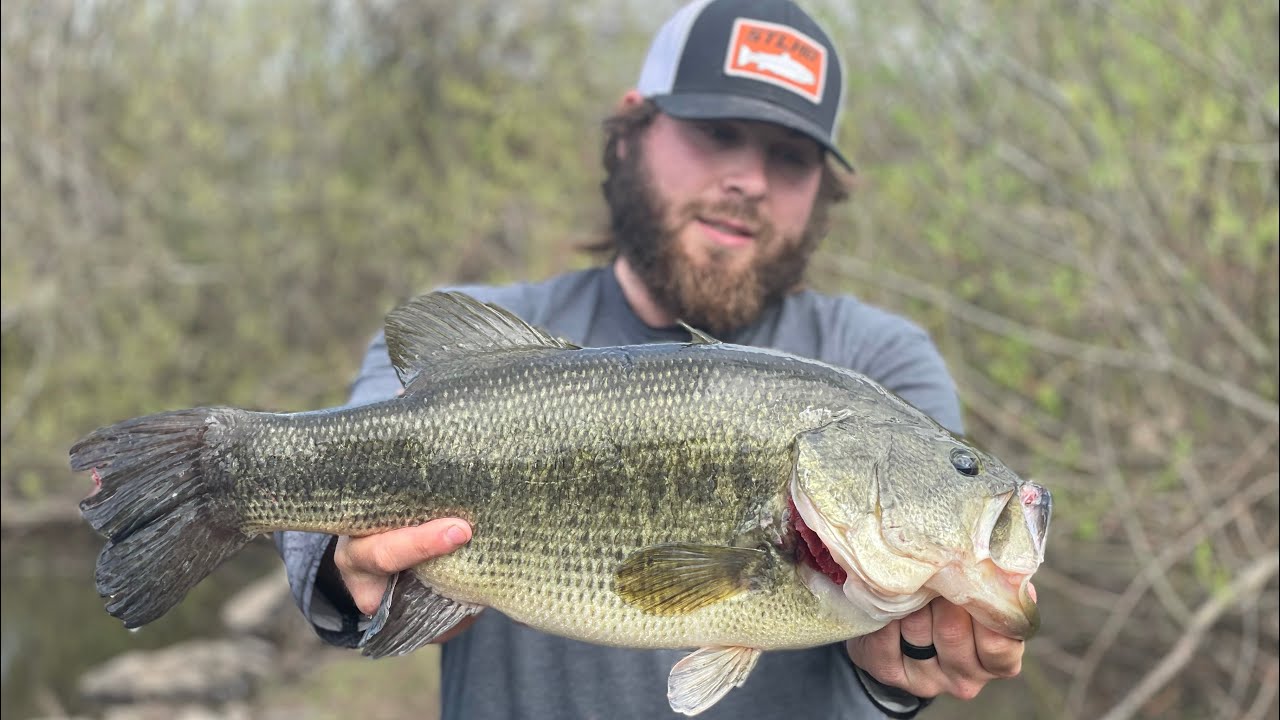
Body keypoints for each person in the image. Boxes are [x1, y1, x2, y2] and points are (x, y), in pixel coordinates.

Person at [276, 0, 1029, 717]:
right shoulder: (498, 336)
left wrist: (901, 676)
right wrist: (353, 578)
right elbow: (326, 484)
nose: (750, 181)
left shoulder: (878, 366)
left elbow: (905, 649)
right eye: (718, 132)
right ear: (633, 129)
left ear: (825, 192)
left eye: (791, 157)